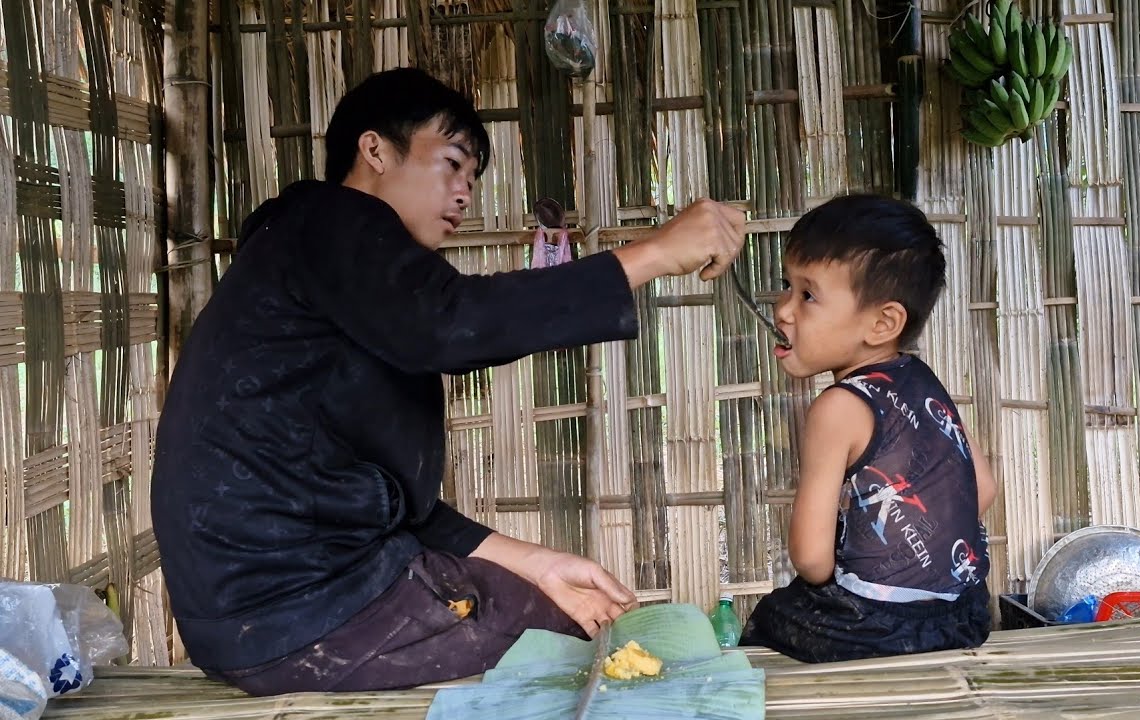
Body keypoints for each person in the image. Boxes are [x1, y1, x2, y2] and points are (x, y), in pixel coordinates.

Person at [150, 67, 746, 695]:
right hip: (299, 612)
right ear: (375, 149)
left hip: (266, 615)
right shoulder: (328, 220)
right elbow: (452, 323)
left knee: (557, 606)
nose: (465, 194)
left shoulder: (330, 287)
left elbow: (384, 500)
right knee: (575, 647)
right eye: (453, 164)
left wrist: (536, 561)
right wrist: (652, 254)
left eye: (473, 179)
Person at [739, 194, 997, 663]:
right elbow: (982, 487)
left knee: (773, 619)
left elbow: (812, 560)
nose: (783, 309)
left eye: (808, 295)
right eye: (787, 286)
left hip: (872, 629)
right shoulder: (923, 381)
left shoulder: (837, 407)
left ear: (882, 323)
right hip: (963, 616)